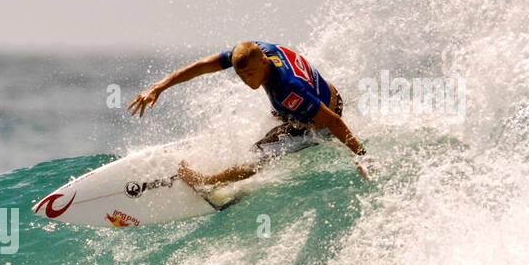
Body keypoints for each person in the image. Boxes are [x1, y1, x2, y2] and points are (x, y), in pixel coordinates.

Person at [127, 41, 372, 184]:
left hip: (318, 122)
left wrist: (360, 156)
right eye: (241, 76)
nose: (247, 81)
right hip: (325, 95)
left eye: (251, 74)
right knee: (278, 116)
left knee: (257, 154)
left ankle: (208, 182)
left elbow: (332, 120)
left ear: (264, 63)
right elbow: (203, 66)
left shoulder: (288, 90)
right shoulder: (256, 51)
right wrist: (160, 87)